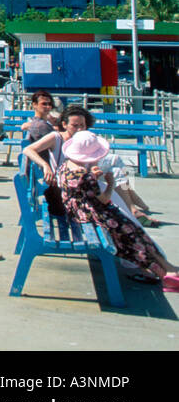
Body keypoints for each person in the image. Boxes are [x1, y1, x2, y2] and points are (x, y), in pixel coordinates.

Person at [25, 106, 178, 286]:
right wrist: (46, 165)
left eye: (82, 125)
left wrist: (96, 176)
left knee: (128, 220)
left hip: (76, 200)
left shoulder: (72, 162)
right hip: (86, 208)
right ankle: (162, 265)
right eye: (75, 125)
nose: (79, 129)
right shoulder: (60, 142)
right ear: (64, 124)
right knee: (129, 229)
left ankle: (160, 262)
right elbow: (102, 198)